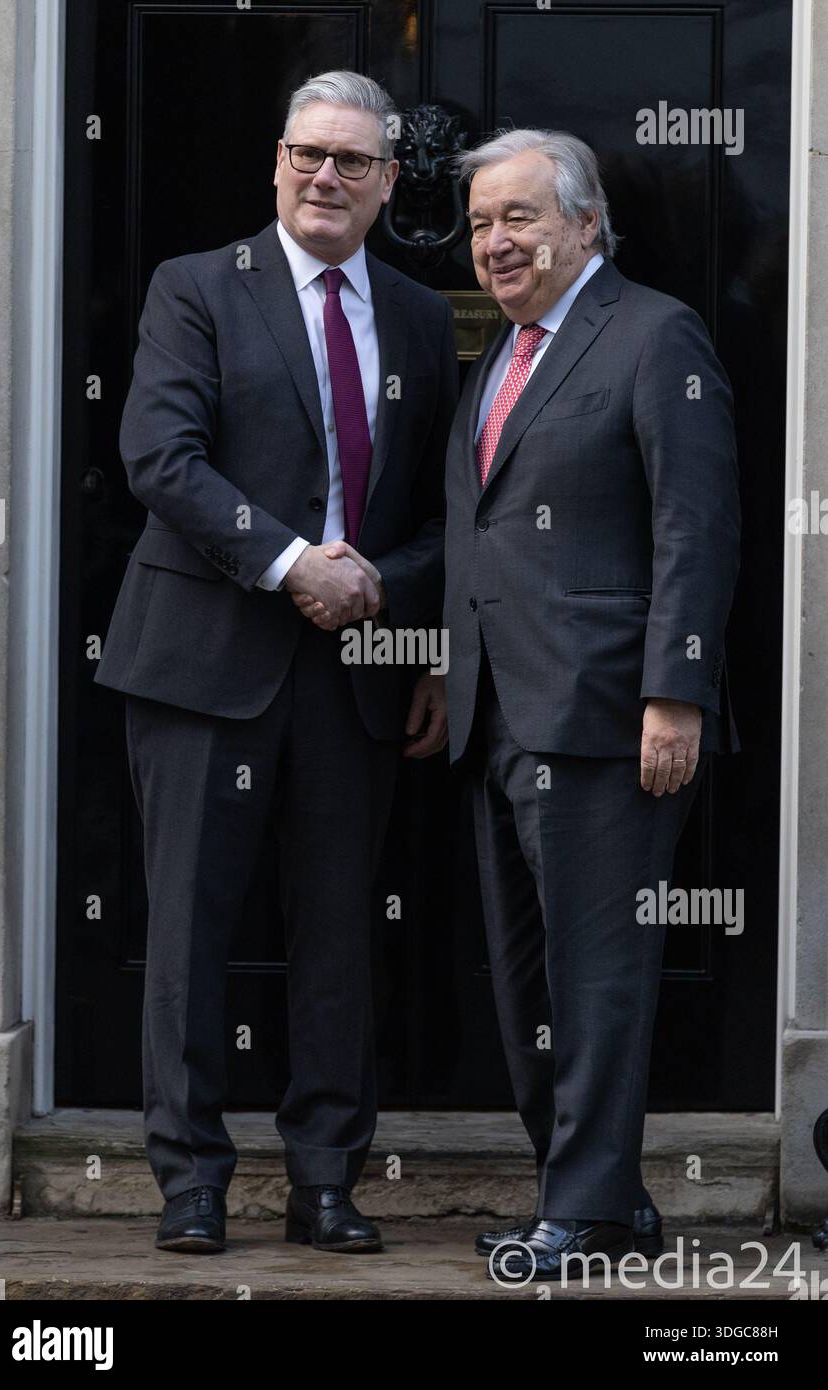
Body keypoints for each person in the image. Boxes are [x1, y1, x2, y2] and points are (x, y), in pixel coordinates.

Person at [95, 70, 457, 1254]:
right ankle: (190, 1179)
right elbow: (160, 454)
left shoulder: (412, 313)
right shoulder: (197, 287)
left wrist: (399, 613)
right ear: (275, 162)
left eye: (354, 162)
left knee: (337, 935)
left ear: (387, 183)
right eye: (308, 153)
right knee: (190, 931)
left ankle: (324, 1180)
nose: (326, 176)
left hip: (353, 672)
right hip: (204, 658)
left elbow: (443, 508)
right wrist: (294, 560)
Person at [441, 128, 740, 1280]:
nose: (494, 242)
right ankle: (599, 1191)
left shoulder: (652, 333)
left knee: (598, 979)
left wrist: (675, 690)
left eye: (516, 217)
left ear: (581, 222)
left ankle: (586, 1213)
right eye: (477, 224)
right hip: (494, 717)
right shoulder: (496, 359)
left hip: (611, 718)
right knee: (527, 986)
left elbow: (693, 521)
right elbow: (484, 533)